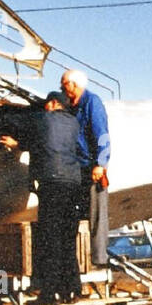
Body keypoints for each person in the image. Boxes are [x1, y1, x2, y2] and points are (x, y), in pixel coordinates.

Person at [0, 93, 84, 301]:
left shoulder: (42, 118)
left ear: (53, 104)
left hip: (52, 183)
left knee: (50, 237)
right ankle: (72, 289)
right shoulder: (73, 123)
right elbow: (45, 142)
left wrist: (13, 142)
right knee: (67, 237)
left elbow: (20, 127)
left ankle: (50, 292)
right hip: (73, 183)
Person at [60, 69, 109, 269]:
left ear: (74, 85)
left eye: (64, 83)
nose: (61, 87)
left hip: (91, 167)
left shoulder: (92, 103)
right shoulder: (70, 106)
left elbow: (102, 135)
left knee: (97, 214)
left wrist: (100, 164)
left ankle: (99, 259)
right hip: (74, 167)